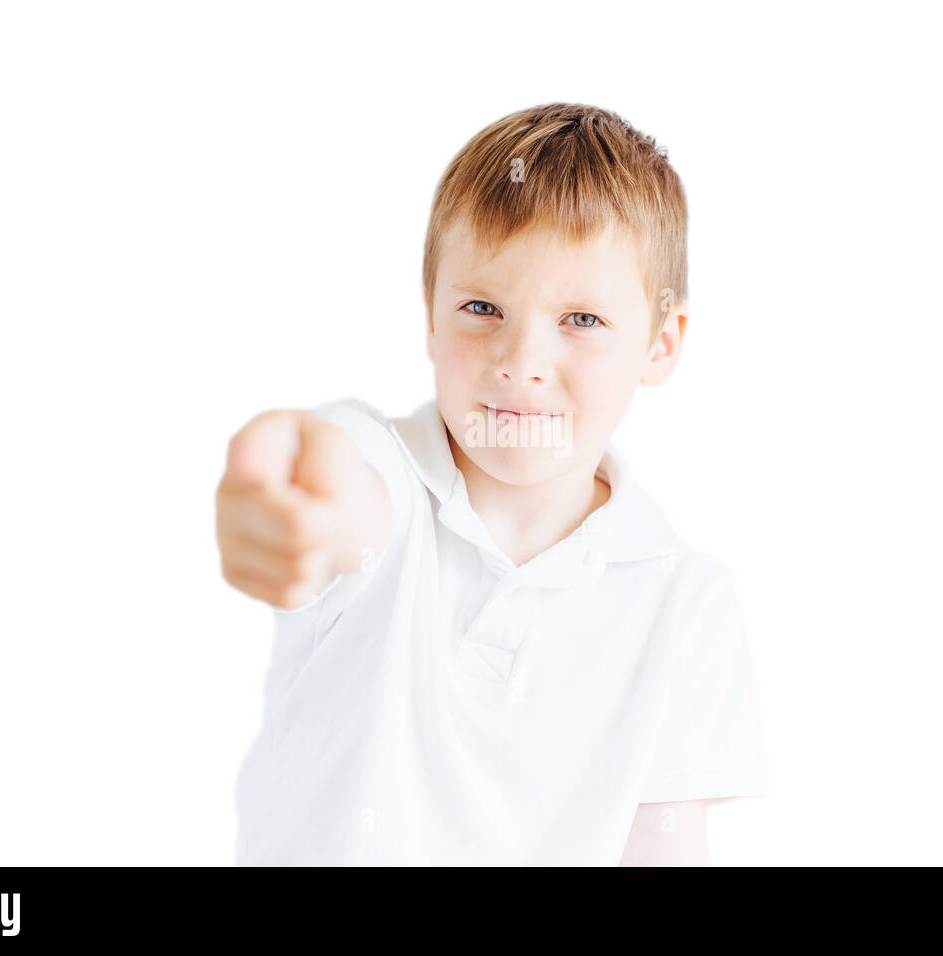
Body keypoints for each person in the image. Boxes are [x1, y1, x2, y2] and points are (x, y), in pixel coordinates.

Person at [217, 103, 770, 865]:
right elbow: (334, 477)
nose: (520, 360)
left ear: (660, 344)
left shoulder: (684, 603)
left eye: (580, 319)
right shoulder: (389, 484)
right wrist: (283, 488)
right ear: (431, 319)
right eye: (482, 308)